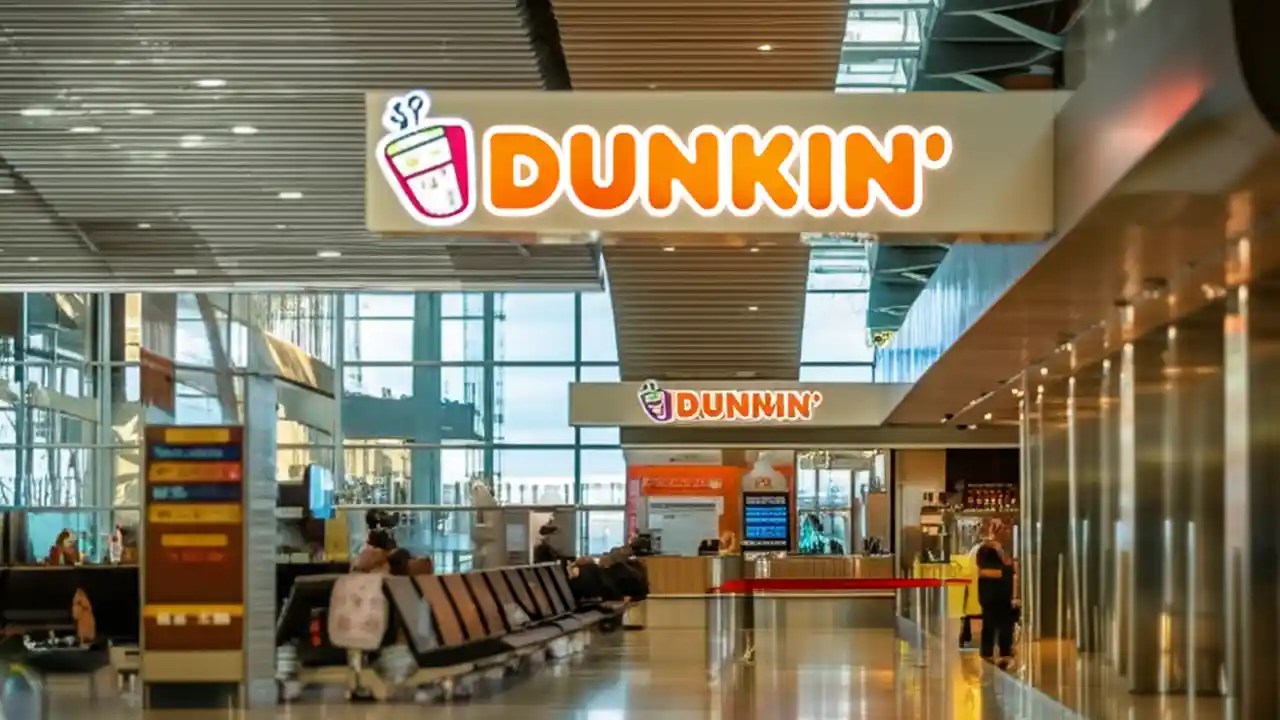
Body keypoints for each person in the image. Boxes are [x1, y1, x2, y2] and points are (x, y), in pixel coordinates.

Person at [974, 521, 1015, 667]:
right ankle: (987, 653)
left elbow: (1009, 565)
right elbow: (984, 571)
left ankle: (1005, 653)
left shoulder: (1003, 549)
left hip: (1003, 593)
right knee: (990, 623)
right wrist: (1004, 573)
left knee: (1005, 624)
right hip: (989, 594)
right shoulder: (984, 550)